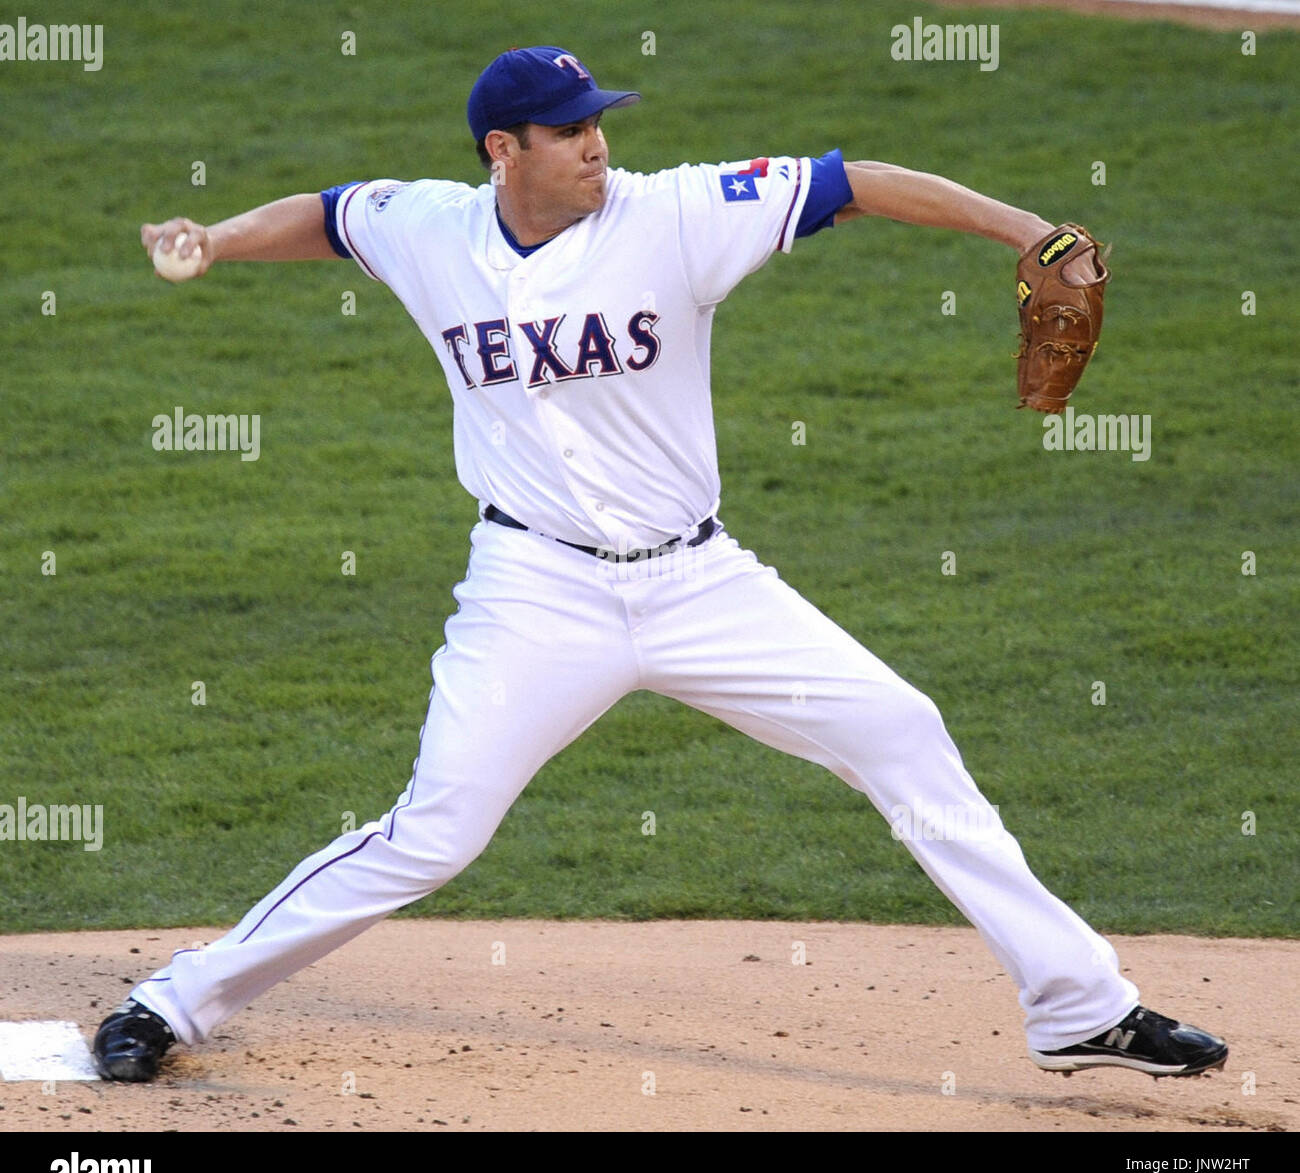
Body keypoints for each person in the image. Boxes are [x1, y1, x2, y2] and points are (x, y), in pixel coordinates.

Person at [94, 45, 1227, 1084]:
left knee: (900, 730)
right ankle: (173, 998)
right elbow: (335, 216)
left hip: (701, 584)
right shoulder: (433, 227)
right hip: (535, 590)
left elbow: (855, 180)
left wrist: (1025, 229)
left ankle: (1078, 1005)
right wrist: (218, 236)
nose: (596, 143)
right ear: (505, 151)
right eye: (569, 129)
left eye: (599, 121)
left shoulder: (677, 212)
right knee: (433, 830)